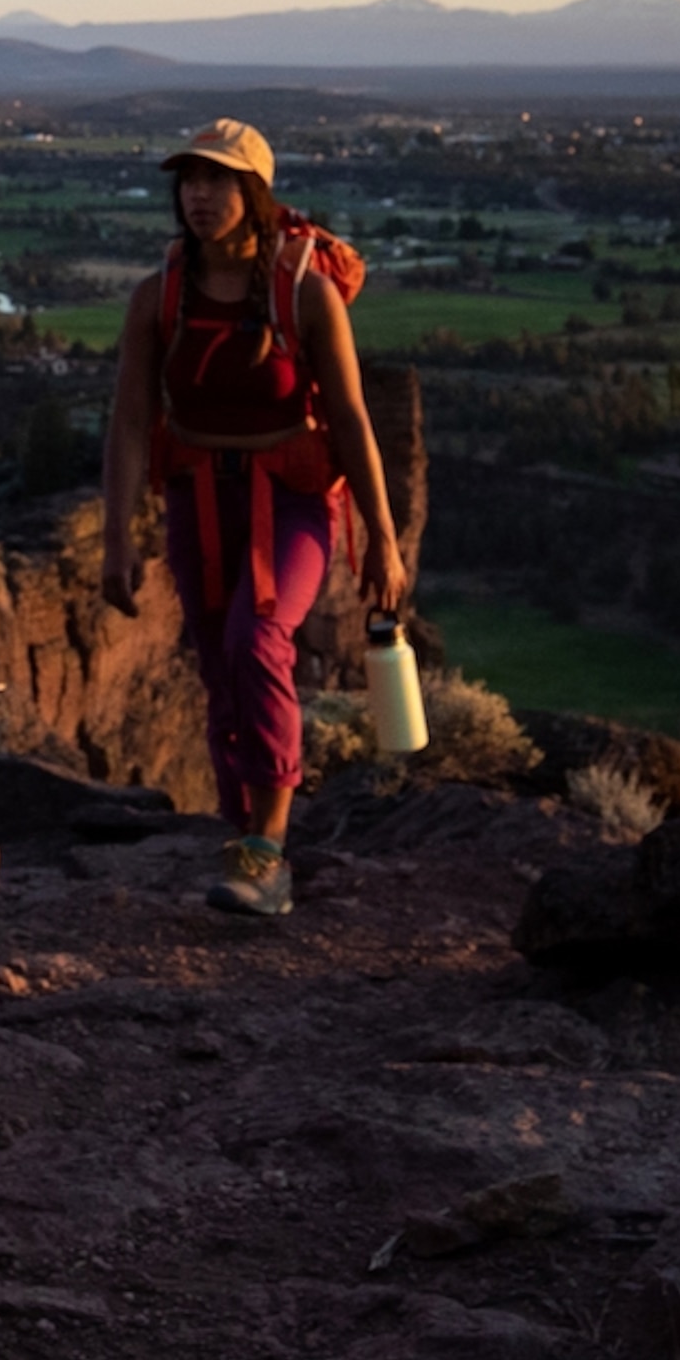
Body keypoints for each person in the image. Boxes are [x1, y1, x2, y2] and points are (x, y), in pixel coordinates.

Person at [101, 120, 402, 919]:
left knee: (257, 639)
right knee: (215, 661)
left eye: (219, 182)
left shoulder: (303, 291)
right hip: (199, 492)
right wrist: (115, 539)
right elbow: (130, 421)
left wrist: (382, 537)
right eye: (190, 181)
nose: (200, 196)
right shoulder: (158, 295)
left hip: (292, 498)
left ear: (255, 194)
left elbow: (349, 416)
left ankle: (268, 849)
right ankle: (244, 831)